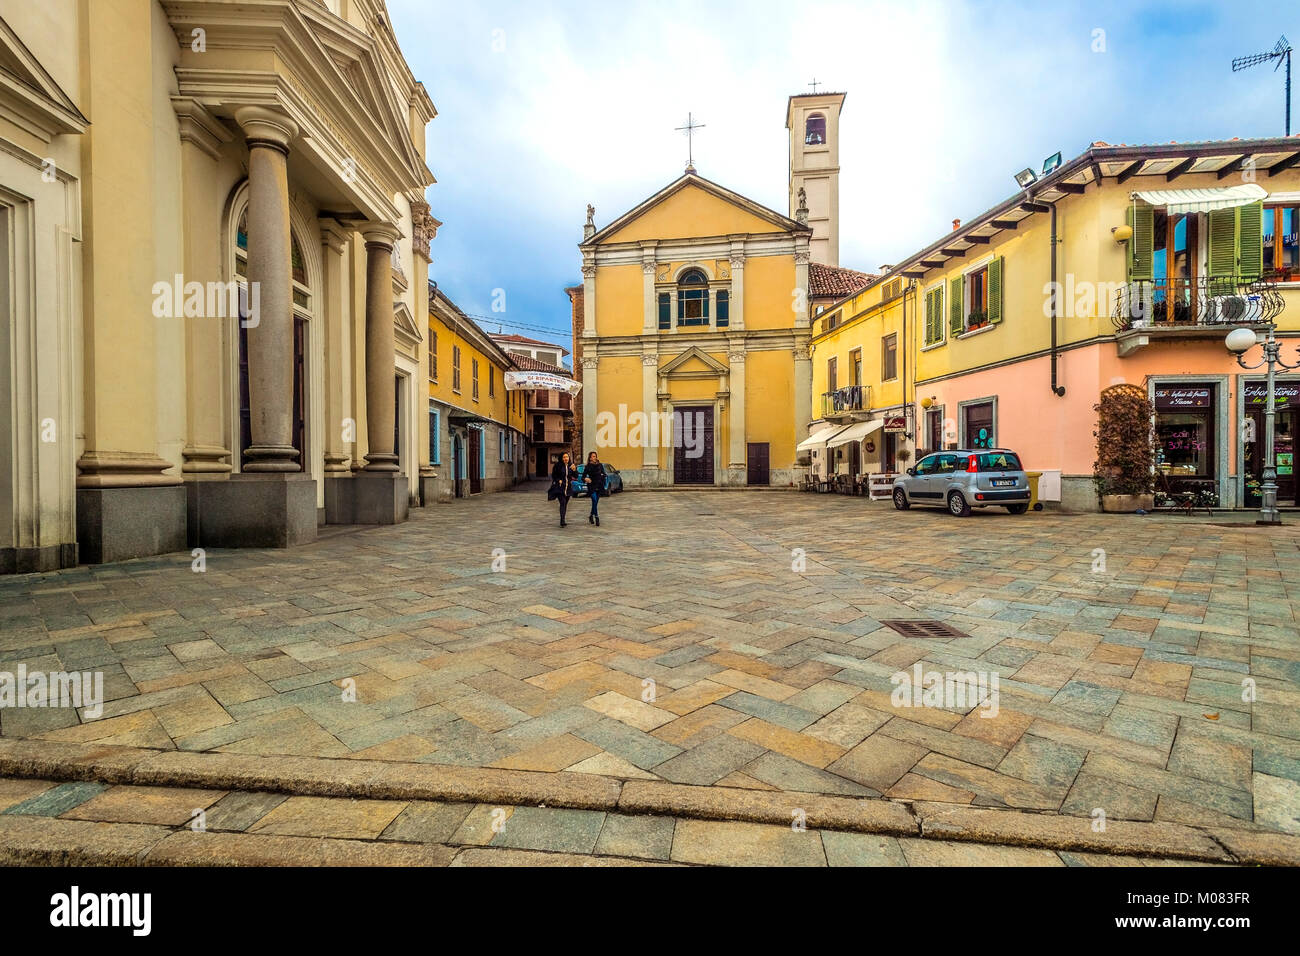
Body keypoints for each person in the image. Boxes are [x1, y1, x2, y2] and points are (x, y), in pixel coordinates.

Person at [549, 452, 576, 527]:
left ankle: (563, 518)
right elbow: (554, 475)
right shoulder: (557, 465)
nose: (566, 458)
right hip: (560, 487)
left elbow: (575, 476)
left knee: (565, 504)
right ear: (561, 458)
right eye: (564, 457)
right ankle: (562, 521)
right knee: (563, 503)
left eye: (567, 457)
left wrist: (574, 470)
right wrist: (558, 480)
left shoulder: (571, 465)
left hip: (568, 488)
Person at [583, 451, 608, 526]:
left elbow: (604, 474)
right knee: (594, 499)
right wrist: (586, 479)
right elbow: (583, 477)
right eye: (593, 456)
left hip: (599, 485)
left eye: (595, 456)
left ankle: (591, 515)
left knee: (595, 503)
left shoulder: (600, 465)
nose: (595, 457)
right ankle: (596, 517)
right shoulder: (588, 466)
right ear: (590, 458)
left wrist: (603, 475)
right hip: (591, 485)